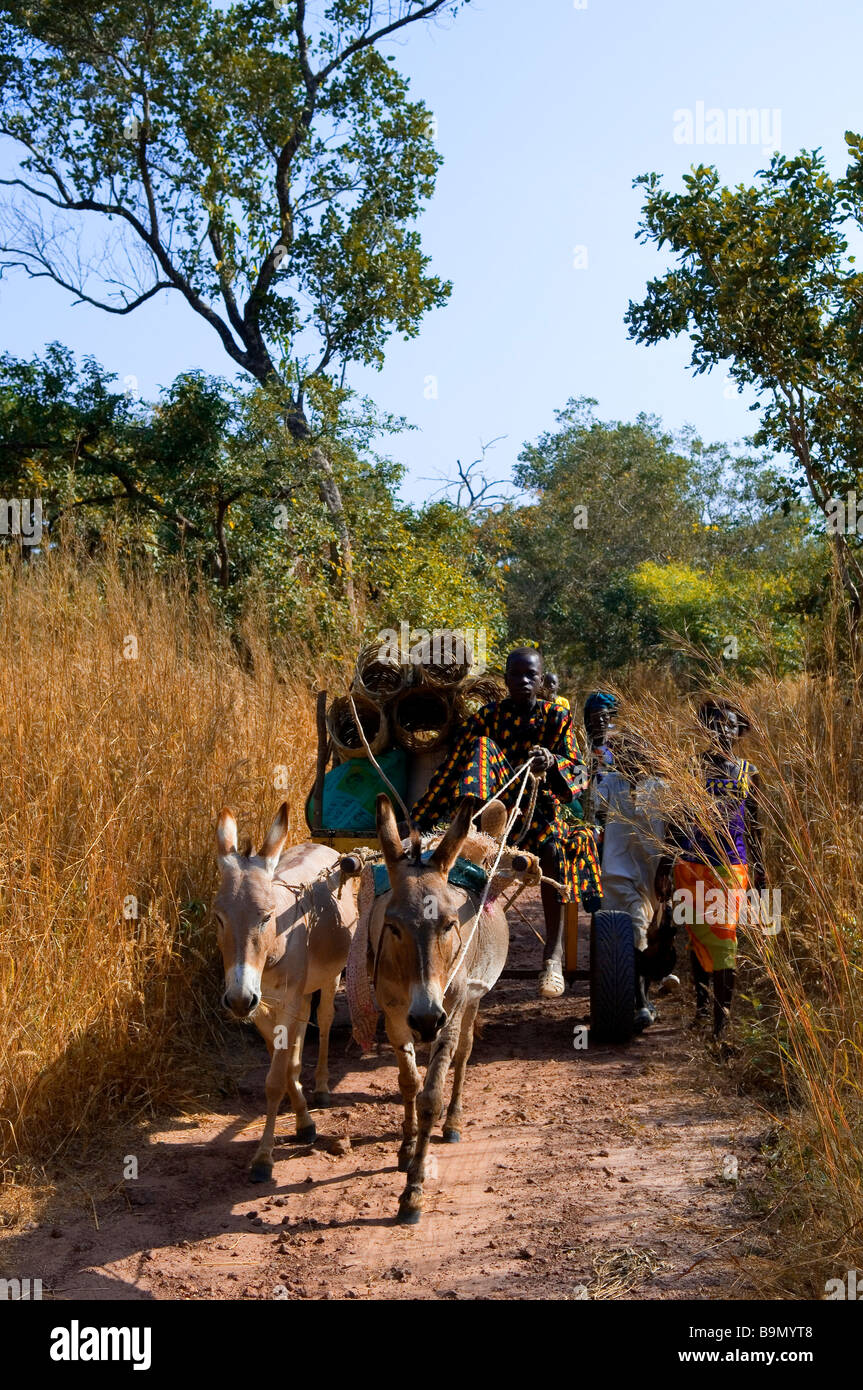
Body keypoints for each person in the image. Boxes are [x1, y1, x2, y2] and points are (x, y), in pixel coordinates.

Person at [411, 647, 601, 999]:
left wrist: (552, 761)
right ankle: (482, 826)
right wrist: (419, 821)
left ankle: (553, 958)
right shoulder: (488, 717)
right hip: (493, 817)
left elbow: (579, 775)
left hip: (539, 814)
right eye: (516, 674)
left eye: (531, 675)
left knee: (555, 852)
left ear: (541, 681)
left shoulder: (557, 717)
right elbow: (452, 768)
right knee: (481, 746)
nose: (523, 681)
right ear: (506, 679)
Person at [662, 698, 766, 1042]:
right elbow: (676, 820)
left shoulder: (749, 772)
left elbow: (754, 826)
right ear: (705, 729)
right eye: (715, 723)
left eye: (729, 724)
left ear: (739, 730)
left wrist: (760, 874)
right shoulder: (690, 768)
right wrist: (665, 864)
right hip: (692, 863)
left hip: (731, 867)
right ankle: (703, 1010)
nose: (723, 729)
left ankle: (721, 1025)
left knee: (724, 941)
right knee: (697, 937)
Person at [594, 732, 669, 1031]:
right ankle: (640, 1003)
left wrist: (666, 868)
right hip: (618, 872)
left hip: (652, 876)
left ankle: (643, 998)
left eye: (634, 752)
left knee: (651, 936)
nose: (628, 758)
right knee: (634, 931)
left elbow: (673, 832)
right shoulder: (610, 784)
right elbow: (595, 813)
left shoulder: (661, 787)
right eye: (622, 753)